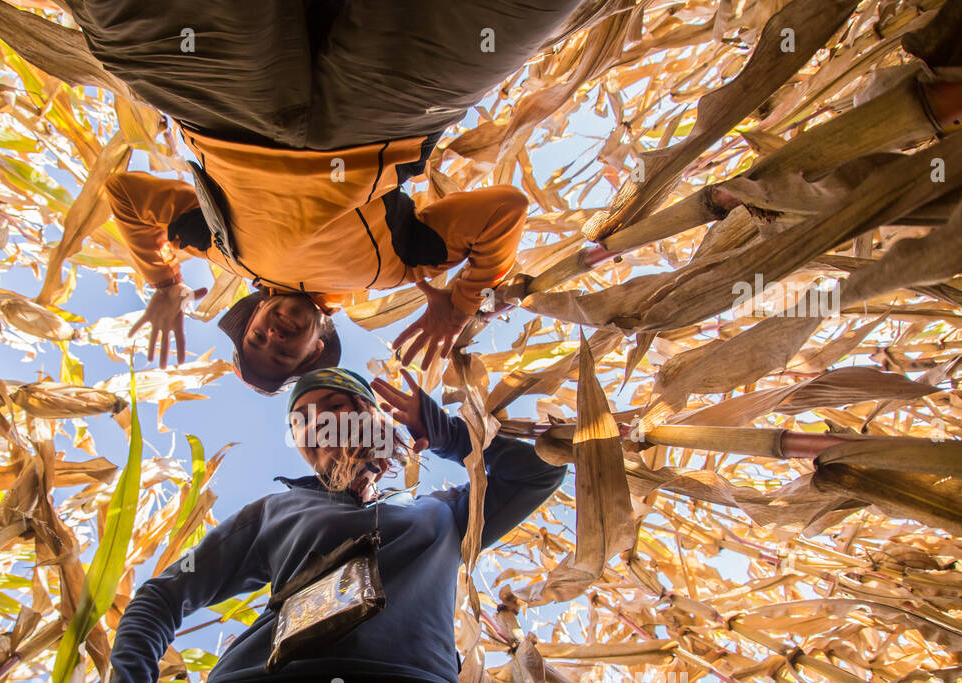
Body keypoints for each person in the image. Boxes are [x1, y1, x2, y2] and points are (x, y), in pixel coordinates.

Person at [96, 367, 626, 683]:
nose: (316, 424)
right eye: (302, 421)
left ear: (375, 416)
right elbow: (162, 596)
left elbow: (537, 472)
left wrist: (446, 432)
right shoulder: (275, 511)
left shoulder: (443, 512)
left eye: (332, 407)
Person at [63, 1, 584, 391]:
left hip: (224, 105)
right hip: (386, 110)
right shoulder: (394, 269)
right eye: (285, 354)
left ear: (252, 318)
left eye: (257, 340)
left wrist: (161, 284)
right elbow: (503, 213)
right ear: (318, 345)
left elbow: (126, 196)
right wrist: (462, 305)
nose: (275, 337)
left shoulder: (226, 252)